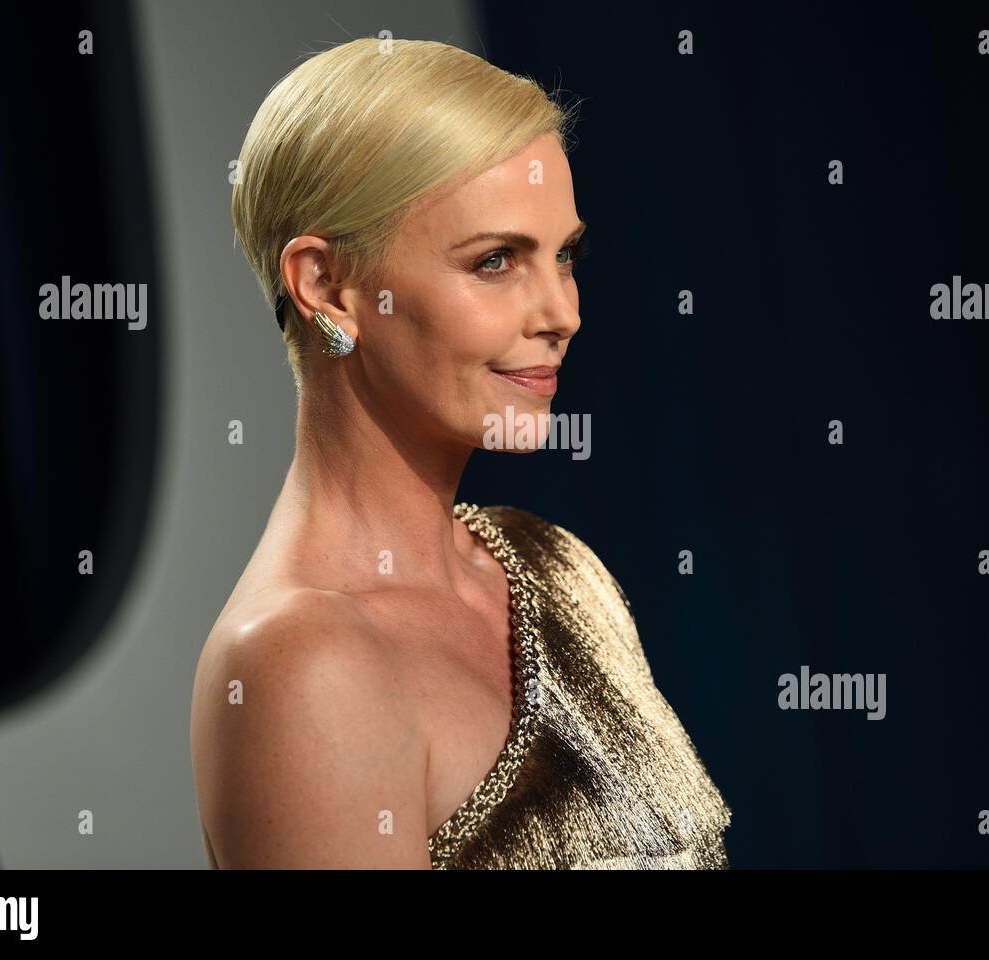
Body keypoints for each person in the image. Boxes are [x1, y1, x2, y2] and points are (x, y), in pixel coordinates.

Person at [190, 36, 731, 868]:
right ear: (329, 288)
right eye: (496, 262)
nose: (561, 312)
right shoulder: (300, 662)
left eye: (565, 257)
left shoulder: (556, 568)